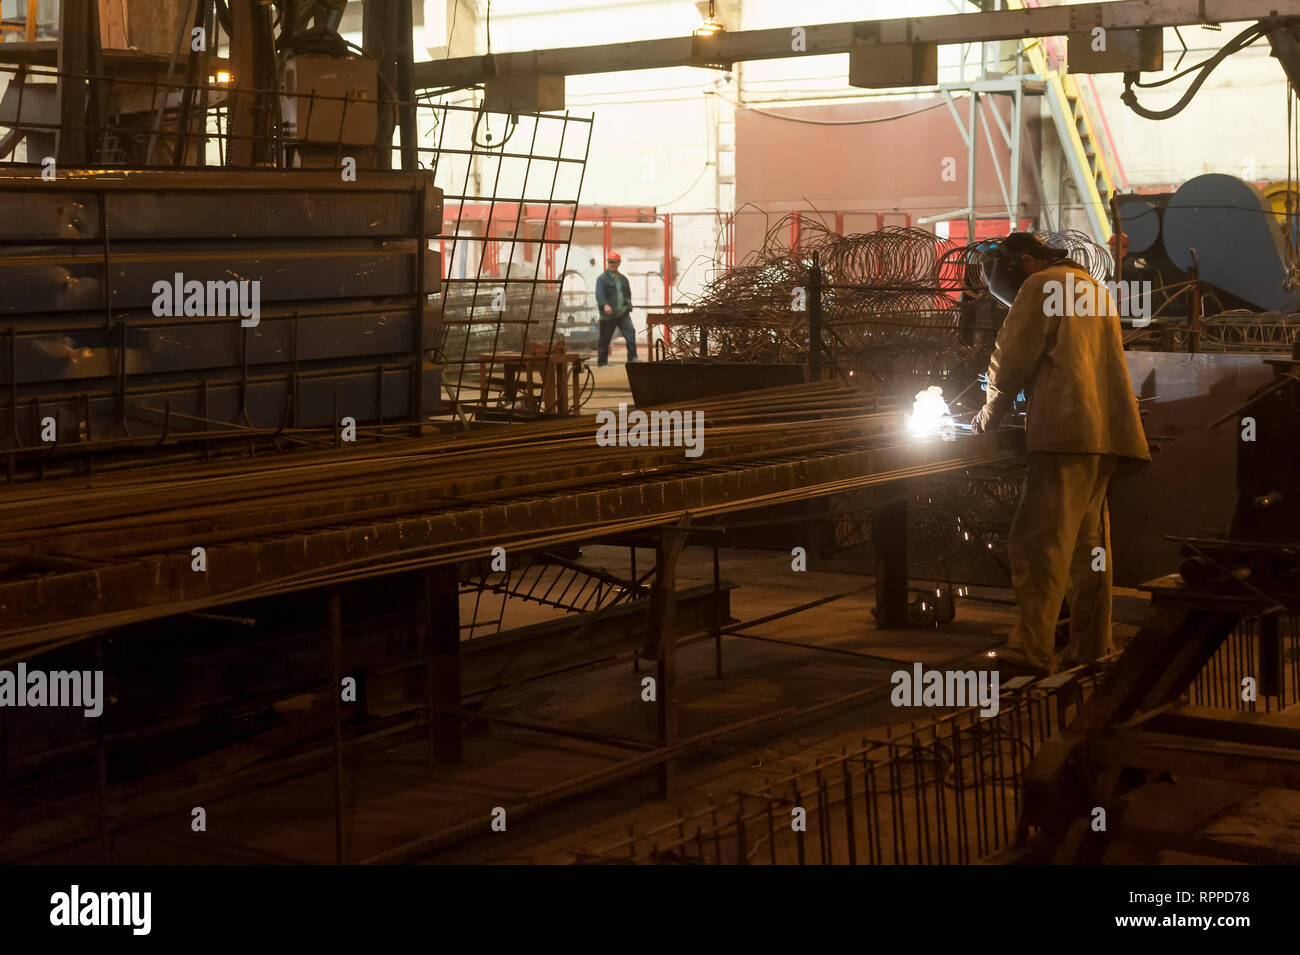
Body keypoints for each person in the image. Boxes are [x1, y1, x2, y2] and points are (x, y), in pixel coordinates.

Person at [971, 232, 1149, 676]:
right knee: (1088, 550)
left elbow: (1012, 355)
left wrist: (992, 407)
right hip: (1105, 434)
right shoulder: (1092, 288)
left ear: (1026, 262)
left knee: (1038, 545)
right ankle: (1092, 646)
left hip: (1065, 433)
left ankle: (1029, 651)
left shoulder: (1041, 286)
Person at [594, 251, 638, 366]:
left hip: (622, 313)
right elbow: (599, 294)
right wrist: (605, 305)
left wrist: (628, 306)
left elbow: (628, 294)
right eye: (610, 262)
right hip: (608, 315)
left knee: (630, 333)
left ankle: (632, 358)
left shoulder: (623, 279)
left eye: (614, 262)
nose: (611, 264)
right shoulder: (602, 279)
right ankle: (602, 362)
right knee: (605, 339)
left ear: (619, 263)